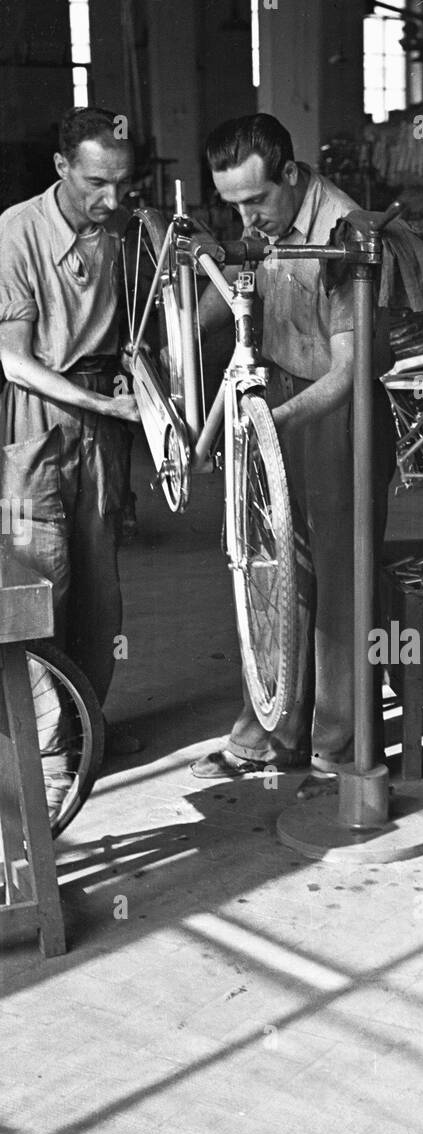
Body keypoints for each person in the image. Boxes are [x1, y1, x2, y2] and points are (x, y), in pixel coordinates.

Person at [190, 114, 399, 795]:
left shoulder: (343, 235)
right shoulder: (264, 220)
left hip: (338, 412)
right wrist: (175, 332)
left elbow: (349, 371)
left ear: (290, 174)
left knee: (341, 583)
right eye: (234, 205)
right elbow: (242, 285)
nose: (248, 218)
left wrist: (270, 425)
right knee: (274, 568)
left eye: (256, 201)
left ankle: (338, 750)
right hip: (277, 390)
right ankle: (272, 732)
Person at [0, 106, 142, 776]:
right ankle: (49, 748)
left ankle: (88, 724)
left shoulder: (121, 229)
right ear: (61, 168)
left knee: (99, 592)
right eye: (94, 184)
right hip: (41, 424)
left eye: (121, 183)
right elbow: (14, 360)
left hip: (103, 428)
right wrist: (102, 402)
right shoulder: (17, 231)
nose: (109, 199)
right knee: (42, 584)